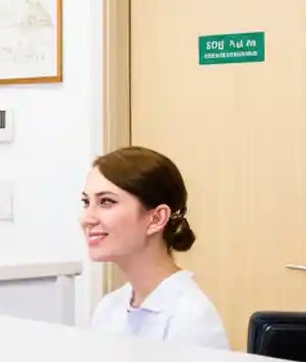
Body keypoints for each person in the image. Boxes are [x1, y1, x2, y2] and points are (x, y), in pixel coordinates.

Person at [81, 146, 230, 350]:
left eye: (106, 201)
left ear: (157, 218)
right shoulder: (108, 309)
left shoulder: (191, 318)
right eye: (86, 202)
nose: (86, 219)